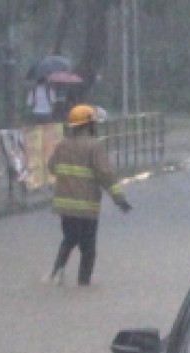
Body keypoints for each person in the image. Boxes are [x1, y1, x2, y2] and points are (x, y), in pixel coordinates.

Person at [45, 104, 133, 286]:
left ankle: (55, 273)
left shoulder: (63, 145)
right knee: (88, 249)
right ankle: (83, 284)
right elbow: (105, 174)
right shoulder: (94, 146)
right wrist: (120, 199)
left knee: (69, 239)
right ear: (89, 125)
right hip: (86, 208)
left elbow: (52, 167)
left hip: (64, 206)